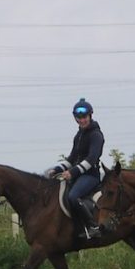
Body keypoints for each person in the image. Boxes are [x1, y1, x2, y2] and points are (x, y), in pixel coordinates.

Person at [45, 98, 104, 239]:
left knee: (73, 196)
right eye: (79, 118)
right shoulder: (79, 135)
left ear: (90, 116)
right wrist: (57, 169)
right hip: (79, 175)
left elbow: (91, 159)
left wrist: (72, 172)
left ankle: (93, 226)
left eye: (84, 117)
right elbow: (72, 158)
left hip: (91, 175)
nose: (82, 120)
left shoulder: (96, 135)